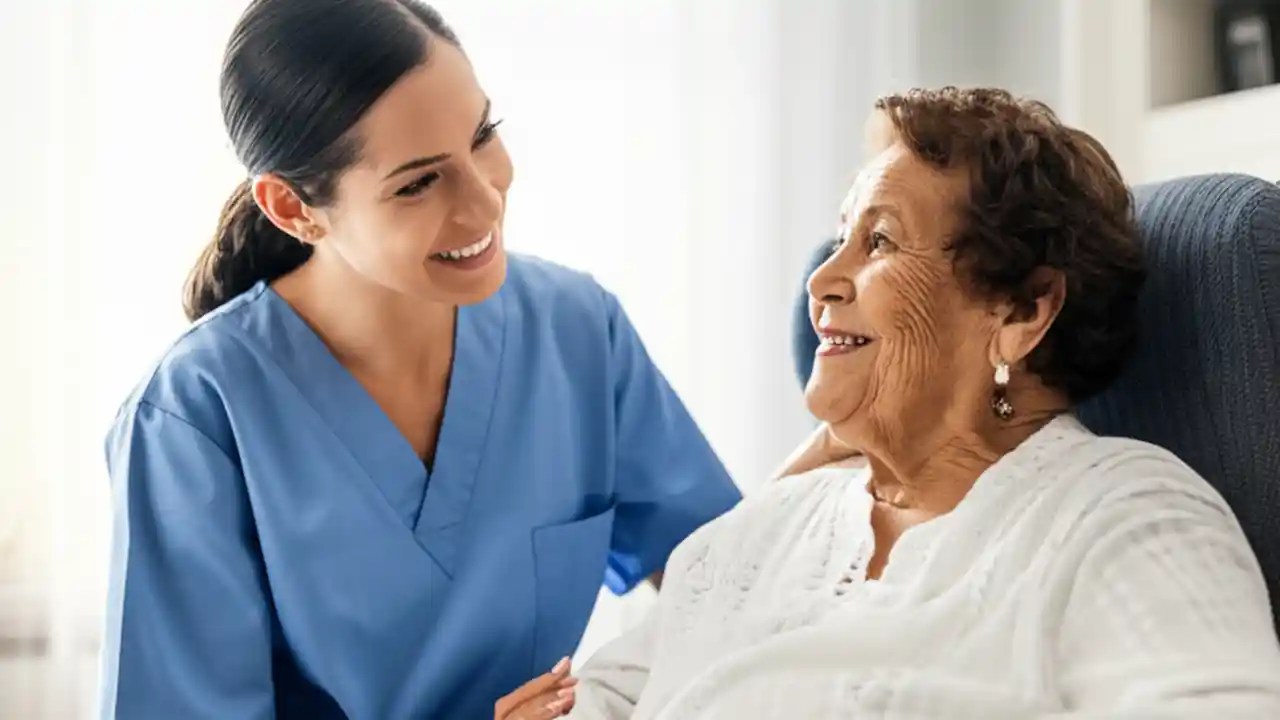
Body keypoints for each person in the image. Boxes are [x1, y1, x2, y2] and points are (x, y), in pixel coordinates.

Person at [98, 1, 741, 718]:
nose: (483, 202)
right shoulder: (193, 418)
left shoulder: (578, 331)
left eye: (482, 135)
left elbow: (736, 578)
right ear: (292, 207)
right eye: (417, 183)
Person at [551, 88, 1280, 718]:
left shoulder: (1121, 514)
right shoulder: (772, 524)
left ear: (1023, 310)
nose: (824, 281)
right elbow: (601, 701)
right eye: (841, 239)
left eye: (880, 242)